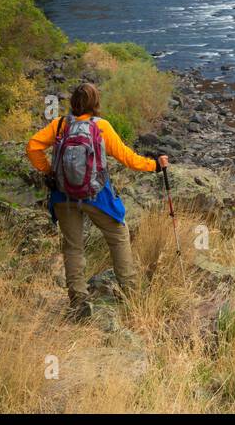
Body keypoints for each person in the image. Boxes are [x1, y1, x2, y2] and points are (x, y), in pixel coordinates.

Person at [26, 82, 169, 321]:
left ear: (73, 102)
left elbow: (32, 147)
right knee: (118, 236)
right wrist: (154, 165)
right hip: (96, 195)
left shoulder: (60, 125)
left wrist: (49, 171)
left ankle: (78, 302)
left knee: (73, 247)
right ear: (95, 103)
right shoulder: (101, 127)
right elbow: (127, 158)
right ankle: (131, 295)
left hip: (63, 195)